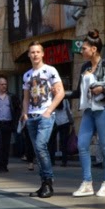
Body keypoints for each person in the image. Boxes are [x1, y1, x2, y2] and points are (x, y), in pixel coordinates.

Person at [70, 29, 105, 198]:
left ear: (93, 49)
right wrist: (59, 93)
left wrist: (103, 88)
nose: (82, 51)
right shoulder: (85, 67)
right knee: (82, 145)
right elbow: (78, 92)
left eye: (84, 48)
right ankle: (87, 183)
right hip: (89, 110)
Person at [21, 43, 64, 198]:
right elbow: (26, 98)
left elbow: (61, 92)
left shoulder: (50, 70)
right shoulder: (27, 75)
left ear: (43, 54)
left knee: (40, 146)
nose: (35, 55)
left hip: (45, 115)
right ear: (29, 55)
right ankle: (43, 183)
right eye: (32, 52)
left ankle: (48, 182)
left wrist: (49, 111)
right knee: (38, 152)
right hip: (31, 116)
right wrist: (25, 113)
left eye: (38, 52)